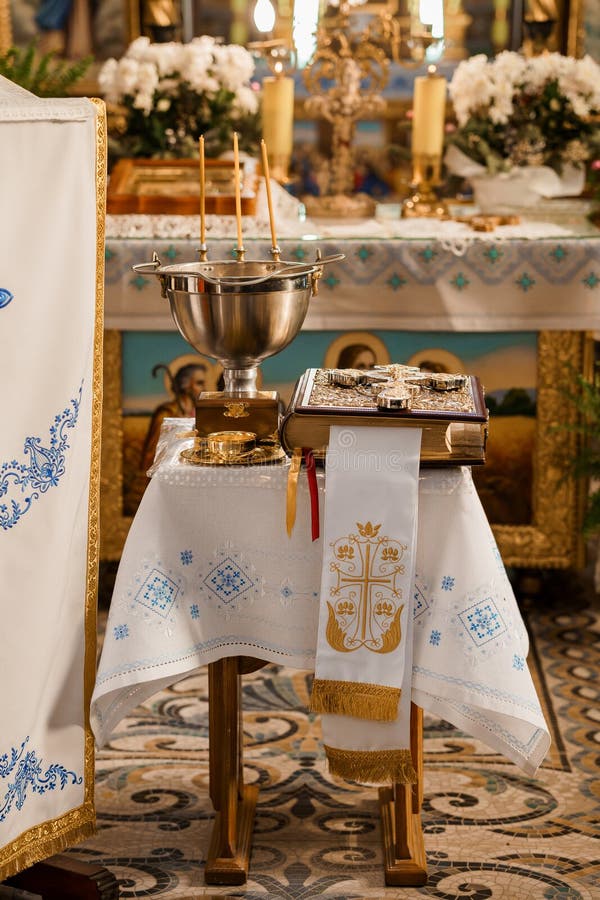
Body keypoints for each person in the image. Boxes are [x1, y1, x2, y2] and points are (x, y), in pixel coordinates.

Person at [140, 361, 207, 473]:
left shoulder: (200, 413)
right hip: (170, 475)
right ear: (185, 386)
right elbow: (152, 454)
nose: (205, 388)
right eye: (199, 383)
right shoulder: (166, 413)